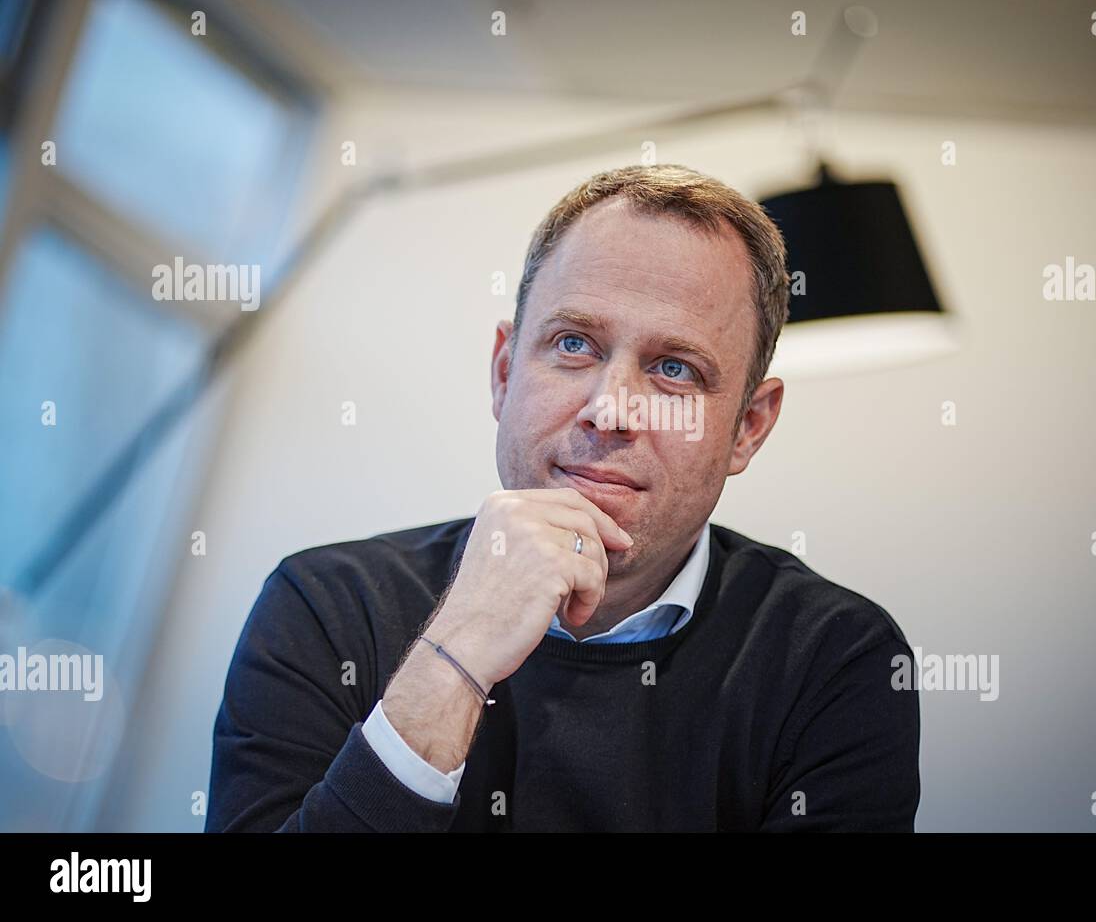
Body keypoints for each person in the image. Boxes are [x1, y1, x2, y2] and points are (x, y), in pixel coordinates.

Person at [205, 163, 920, 832]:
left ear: (748, 427)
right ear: (503, 371)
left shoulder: (835, 659)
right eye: (574, 344)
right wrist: (453, 657)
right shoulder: (326, 606)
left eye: (675, 368)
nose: (610, 409)